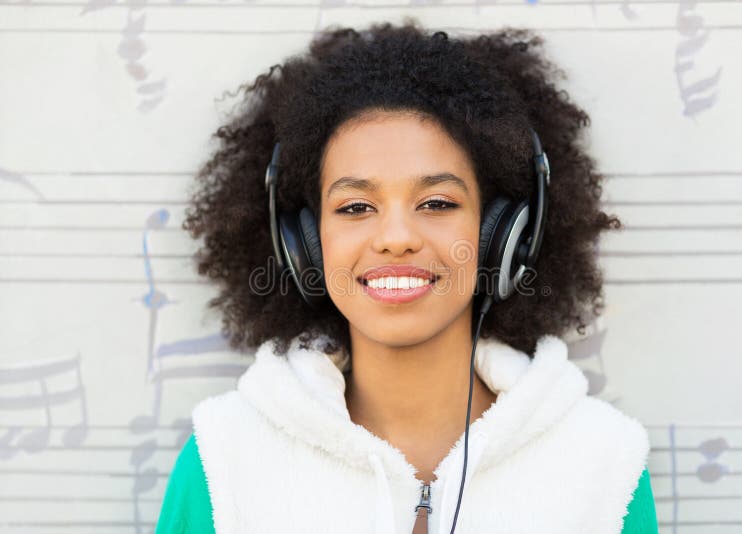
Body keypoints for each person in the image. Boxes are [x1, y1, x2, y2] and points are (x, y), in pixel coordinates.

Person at [156, 19, 659, 533]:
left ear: (504, 236)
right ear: (303, 244)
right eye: (355, 207)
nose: (396, 237)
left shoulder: (605, 465)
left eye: (437, 202)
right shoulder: (222, 460)